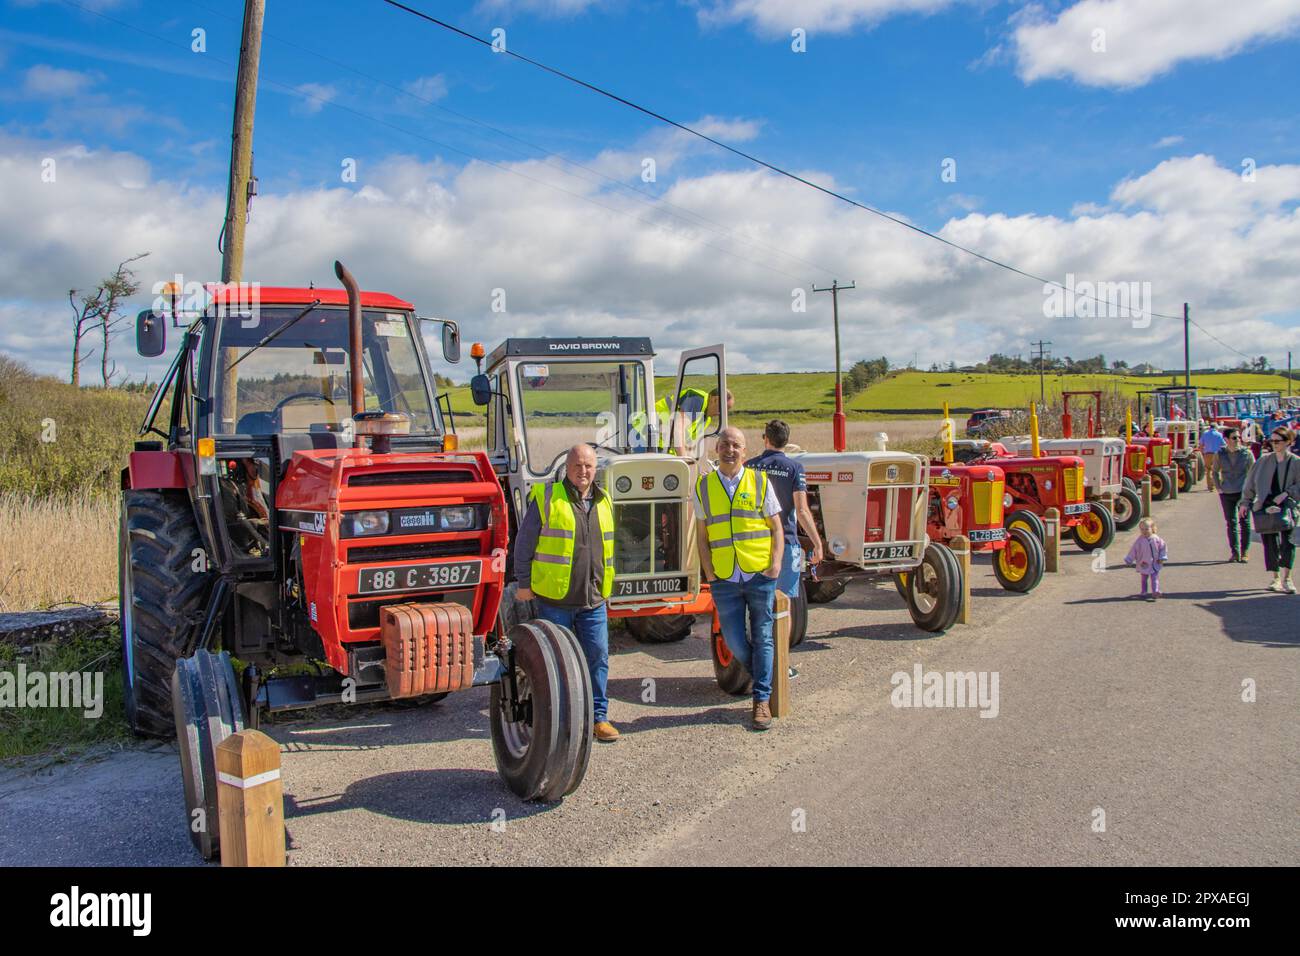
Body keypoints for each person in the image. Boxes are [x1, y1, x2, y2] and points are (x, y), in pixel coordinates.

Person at [514, 444, 621, 741]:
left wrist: (608, 587)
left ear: (595, 468)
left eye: (588, 466)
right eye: (578, 466)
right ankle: (559, 722)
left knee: (598, 657)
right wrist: (524, 583)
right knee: (557, 664)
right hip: (555, 600)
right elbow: (524, 545)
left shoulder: (604, 500)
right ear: (567, 467)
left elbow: (609, 550)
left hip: (593, 600)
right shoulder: (547, 498)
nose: (583, 471)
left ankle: (598, 718)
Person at [695, 426, 784, 731]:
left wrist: (774, 566)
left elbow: (776, 529)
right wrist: (709, 573)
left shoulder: (760, 481)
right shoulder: (704, 487)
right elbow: (702, 537)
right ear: (716, 450)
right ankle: (765, 675)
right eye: (724, 444)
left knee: (763, 636)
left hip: (759, 574)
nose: (729, 449)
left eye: (736, 445)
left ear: (745, 451)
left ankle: (761, 700)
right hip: (725, 578)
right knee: (733, 640)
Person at [1238, 426, 1300, 593]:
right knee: (1270, 543)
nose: (1274, 444)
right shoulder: (1263, 461)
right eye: (1271, 441)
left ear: (1288, 442)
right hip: (1265, 506)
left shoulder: (1295, 462)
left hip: (1287, 507)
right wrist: (1245, 502)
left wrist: (1287, 493)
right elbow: (1250, 483)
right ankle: (1275, 578)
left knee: (1289, 543)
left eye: (1277, 441)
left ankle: (1287, 578)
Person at [1213, 428, 1256, 562]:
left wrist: (1251, 491)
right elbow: (1214, 471)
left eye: (1238, 437)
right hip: (1226, 492)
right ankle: (1235, 552)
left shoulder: (1247, 453)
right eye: (1234, 437)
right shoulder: (1220, 454)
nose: (1238, 440)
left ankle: (1245, 552)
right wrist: (1219, 487)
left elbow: (1253, 472)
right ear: (1226, 440)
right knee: (1231, 523)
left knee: (1245, 522)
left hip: (1243, 493)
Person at [1124, 518, 1168, 601]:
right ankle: (1144, 591)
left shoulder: (1157, 539)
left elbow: (1163, 548)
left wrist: (1162, 557)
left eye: (1147, 529)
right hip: (1143, 563)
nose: (1144, 531)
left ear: (1152, 528)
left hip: (1155, 562)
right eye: (1142, 529)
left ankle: (1155, 591)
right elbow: (1134, 549)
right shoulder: (1139, 540)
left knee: (1154, 578)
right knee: (1144, 578)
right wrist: (1129, 559)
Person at [1198, 423, 1224, 491]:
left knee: (1208, 470)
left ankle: (1210, 486)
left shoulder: (1205, 434)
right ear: (1216, 427)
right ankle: (1215, 484)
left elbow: (1201, 444)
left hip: (1207, 454)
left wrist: (1202, 452)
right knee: (1217, 470)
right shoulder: (1219, 434)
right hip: (1217, 454)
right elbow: (1223, 444)